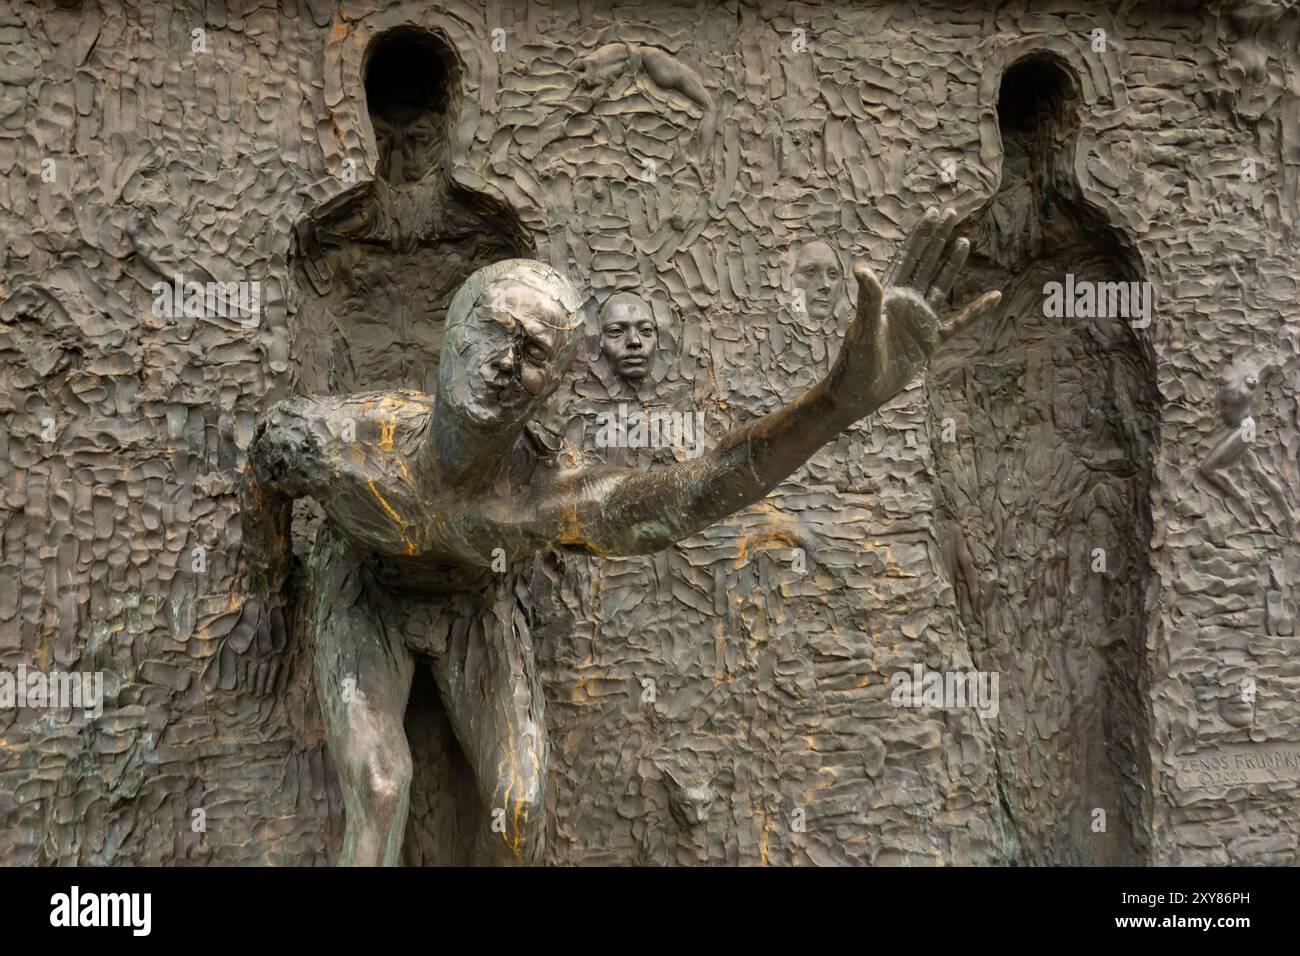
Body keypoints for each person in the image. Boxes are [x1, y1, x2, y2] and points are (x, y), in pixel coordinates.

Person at [239, 208, 999, 865]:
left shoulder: (547, 496)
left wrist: (836, 402)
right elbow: (265, 469)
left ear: (553, 384)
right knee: (378, 786)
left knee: (520, 810)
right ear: (451, 334)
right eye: (494, 330)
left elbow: (700, 485)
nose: (506, 362)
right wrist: (274, 582)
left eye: (535, 353)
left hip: (476, 602)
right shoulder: (339, 443)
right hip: (364, 588)